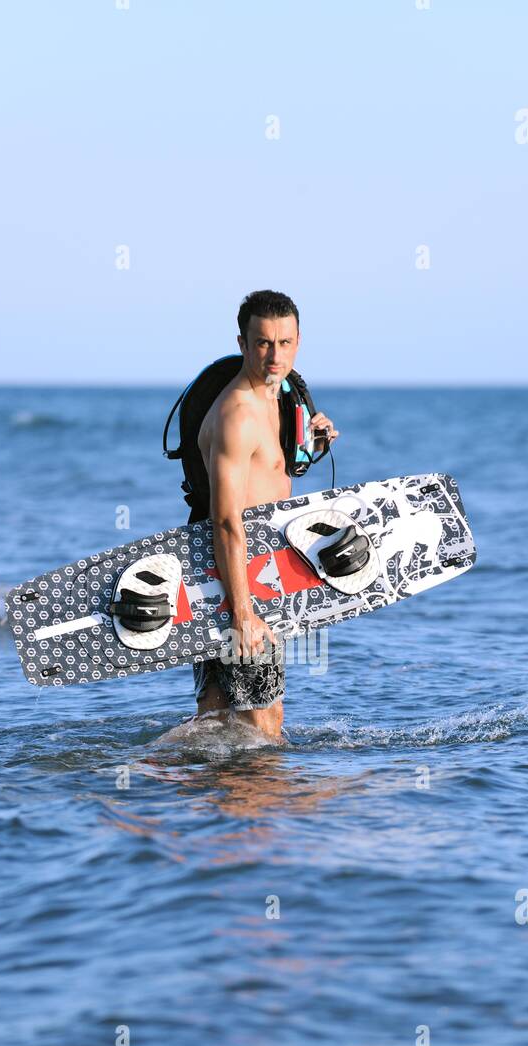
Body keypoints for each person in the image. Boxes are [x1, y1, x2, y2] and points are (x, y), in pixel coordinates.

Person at [191, 290, 339, 741]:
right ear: (242, 343)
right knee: (264, 725)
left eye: (285, 343)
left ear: (298, 342)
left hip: (238, 572)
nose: (275, 355)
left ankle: (205, 802)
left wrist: (314, 443)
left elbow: (271, 474)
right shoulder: (238, 414)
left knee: (216, 719)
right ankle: (141, 767)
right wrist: (242, 612)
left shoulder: (278, 401)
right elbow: (227, 520)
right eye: (262, 343)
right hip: (236, 575)